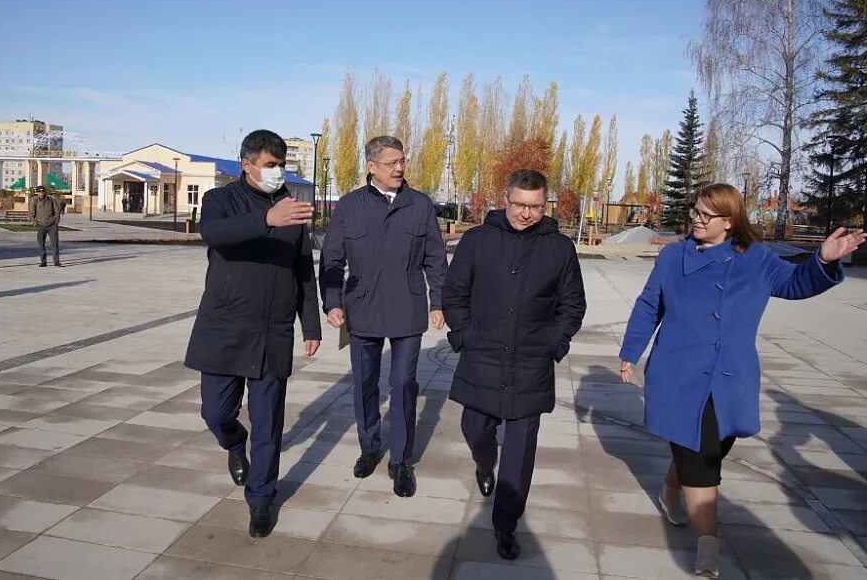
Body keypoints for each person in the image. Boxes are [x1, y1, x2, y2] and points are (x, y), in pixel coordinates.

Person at [618, 183, 865, 578]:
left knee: (709, 449)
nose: (696, 220)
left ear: (729, 222)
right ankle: (708, 546)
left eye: (705, 215)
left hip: (730, 379)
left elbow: (795, 283)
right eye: (695, 212)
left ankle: (670, 488)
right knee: (700, 460)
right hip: (678, 376)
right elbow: (650, 305)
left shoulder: (756, 259)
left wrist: (822, 258)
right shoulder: (672, 258)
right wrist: (630, 353)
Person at [442, 169, 587, 560]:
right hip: (482, 355)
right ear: (505, 200)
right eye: (520, 205)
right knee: (475, 427)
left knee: (521, 451)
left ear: (545, 204)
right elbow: (453, 293)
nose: (527, 213)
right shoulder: (476, 241)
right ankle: (484, 463)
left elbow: (573, 305)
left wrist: (553, 343)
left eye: (535, 206)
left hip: (531, 363)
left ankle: (506, 525)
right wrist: (465, 335)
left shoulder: (559, 248)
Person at [184, 129, 321, 539]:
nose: (277, 173)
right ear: (246, 165)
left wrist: (309, 325)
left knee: (269, 424)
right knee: (215, 412)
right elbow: (213, 234)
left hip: (272, 332)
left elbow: (303, 272)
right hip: (225, 327)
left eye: (282, 165)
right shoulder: (220, 201)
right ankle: (232, 442)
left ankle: (261, 498)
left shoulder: (291, 210)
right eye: (269, 165)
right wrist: (264, 219)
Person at [319, 135, 448, 497]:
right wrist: (333, 302)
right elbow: (332, 260)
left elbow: (435, 259)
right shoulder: (349, 206)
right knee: (364, 385)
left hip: (407, 310)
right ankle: (370, 447)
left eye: (402, 161)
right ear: (371, 167)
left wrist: (439, 302)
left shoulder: (420, 205)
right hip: (362, 310)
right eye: (392, 162)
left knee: (404, 385)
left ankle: (402, 460)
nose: (400, 168)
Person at [29, 185, 62, 267]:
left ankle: (56, 262)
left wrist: (56, 222)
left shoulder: (51, 200)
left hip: (52, 225)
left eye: (43, 191)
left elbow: (57, 211)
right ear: (37, 192)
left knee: (55, 244)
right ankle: (43, 262)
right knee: (41, 244)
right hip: (40, 225)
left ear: (45, 191)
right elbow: (31, 213)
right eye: (39, 191)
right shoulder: (34, 200)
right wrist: (35, 223)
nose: (41, 192)